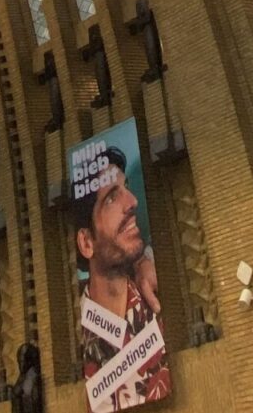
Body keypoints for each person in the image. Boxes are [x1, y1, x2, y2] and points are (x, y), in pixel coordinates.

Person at [72, 146, 170, 410]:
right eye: (112, 198)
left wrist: (145, 258)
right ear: (86, 242)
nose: (133, 201)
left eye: (126, 188)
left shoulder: (153, 290)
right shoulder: (81, 335)